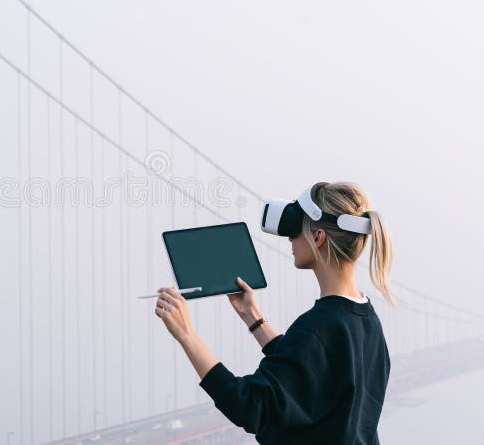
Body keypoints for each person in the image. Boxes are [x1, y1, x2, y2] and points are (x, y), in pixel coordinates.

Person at [154, 181, 393, 444]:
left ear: (317, 237)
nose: (290, 238)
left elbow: (249, 405)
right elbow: (310, 366)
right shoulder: (367, 318)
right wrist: (252, 316)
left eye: (294, 229)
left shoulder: (317, 327)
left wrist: (186, 334)